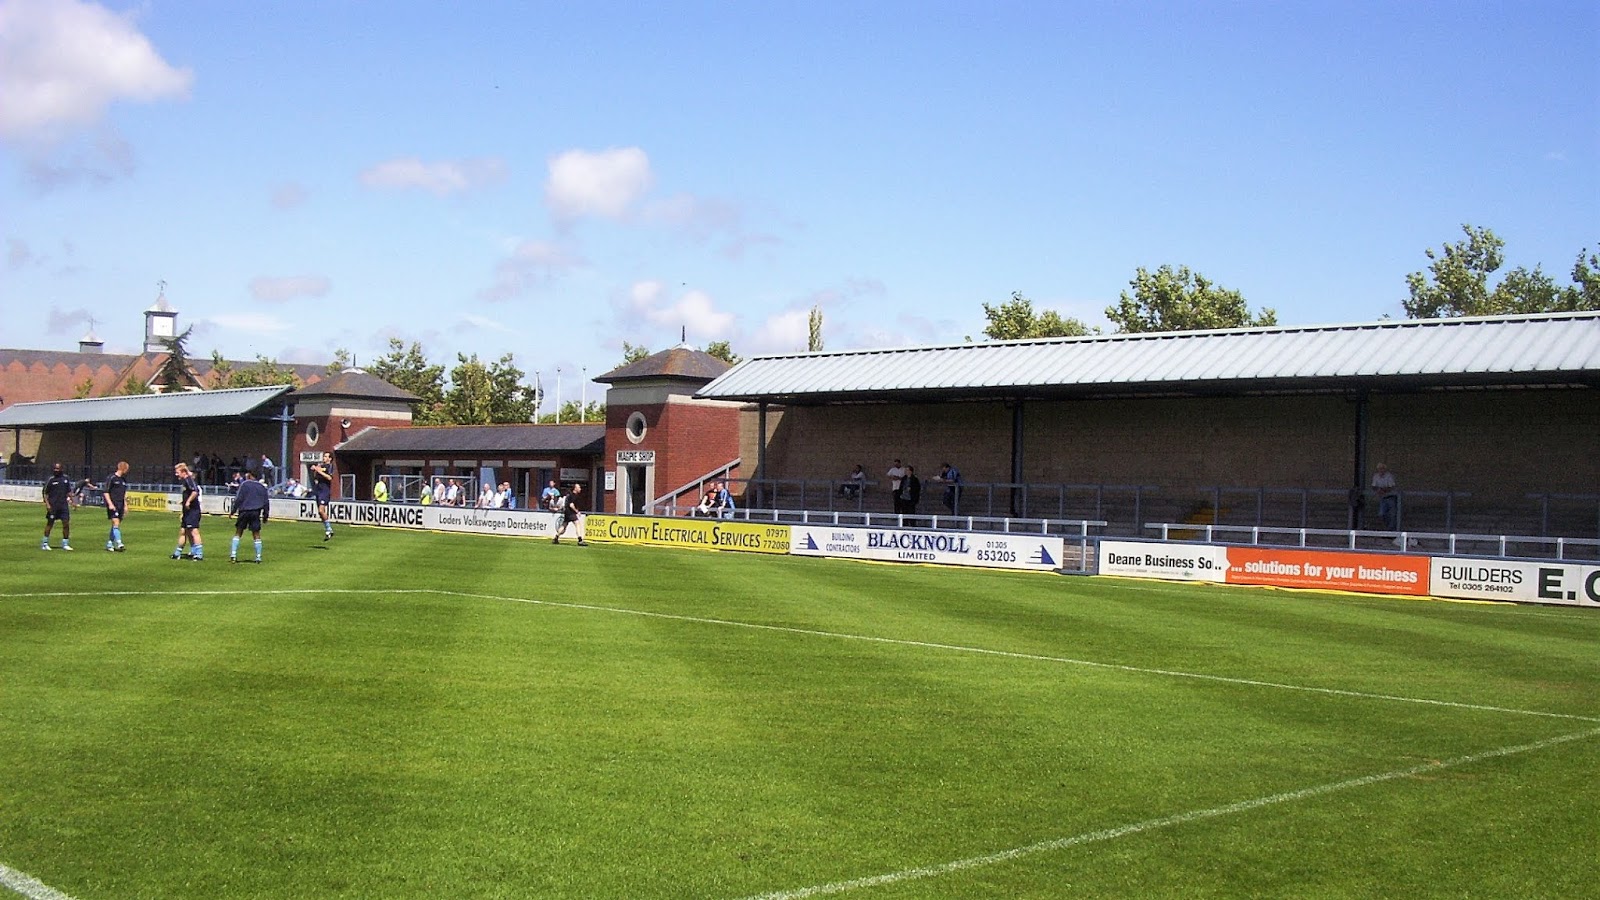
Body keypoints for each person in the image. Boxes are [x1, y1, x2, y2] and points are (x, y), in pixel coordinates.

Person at [229, 469, 270, 563]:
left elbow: (238, 499)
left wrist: (233, 511)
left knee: (238, 532)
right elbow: (266, 502)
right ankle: (258, 557)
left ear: (250, 475)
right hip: (256, 511)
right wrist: (265, 516)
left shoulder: (244, 484)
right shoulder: (262, 487)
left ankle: (233, 554)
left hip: (244, 511)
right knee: (256, 534)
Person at [171, 461, 205, 560]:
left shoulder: (188, 480)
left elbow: (195, 491)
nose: (176, 474)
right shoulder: (185, 481)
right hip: (187, 512)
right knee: (183, 531)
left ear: (183, 472)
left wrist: (188, 502)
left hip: (193, 511)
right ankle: (177, 553)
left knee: (194, 531)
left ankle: (199, 554)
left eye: (177, 472)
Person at [41, 462, 75, 550]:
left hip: (63, 505)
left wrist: (73, 501)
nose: (56, 470)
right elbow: (45, 493)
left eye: (57, 469)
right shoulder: (50, 479)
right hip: (53, 506)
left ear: (61, 469)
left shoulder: (66, 479)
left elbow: (68, 491)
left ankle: (65, 543)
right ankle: (45, 543)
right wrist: (47, 505)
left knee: (66, 523)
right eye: (55, 468)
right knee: (50, 524)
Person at [103, 460, 130, 552]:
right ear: (123, 468)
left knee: (115, 525)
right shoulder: (112, 478)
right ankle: (119, 543)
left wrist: (125, 505)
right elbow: (106, 492)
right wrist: (110, 504)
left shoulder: (123, 480)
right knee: (116, 523)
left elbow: (124, 494)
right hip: (113, 504)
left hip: (120, 505)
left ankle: (109, 543)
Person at [309, 451, 335, 541]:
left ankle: (329, 528)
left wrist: (318, 471)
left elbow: (329, 478)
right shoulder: (320, 466)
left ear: (330, 458)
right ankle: (328, 531)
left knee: (321, 510)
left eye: (326, 456)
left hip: (325, 491)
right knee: (321, 512)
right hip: (318, 491)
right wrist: (316, 472)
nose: (324, 458)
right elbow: (316, 477)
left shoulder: (330, 466)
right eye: (324, 456)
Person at [1372, 462, 1399, 531]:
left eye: (1382, 468)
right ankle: (1386, 528)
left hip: (1391, 497)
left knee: (1392, 515)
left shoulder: (1389, 476)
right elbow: (1374, 486)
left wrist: (1382, 490)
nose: (1381, 470)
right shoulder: (1376, 476)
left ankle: (1391, 530)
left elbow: (1391, 487)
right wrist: (1378, 490)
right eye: (1380, 469)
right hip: (1383, 498)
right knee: (1381, 514)